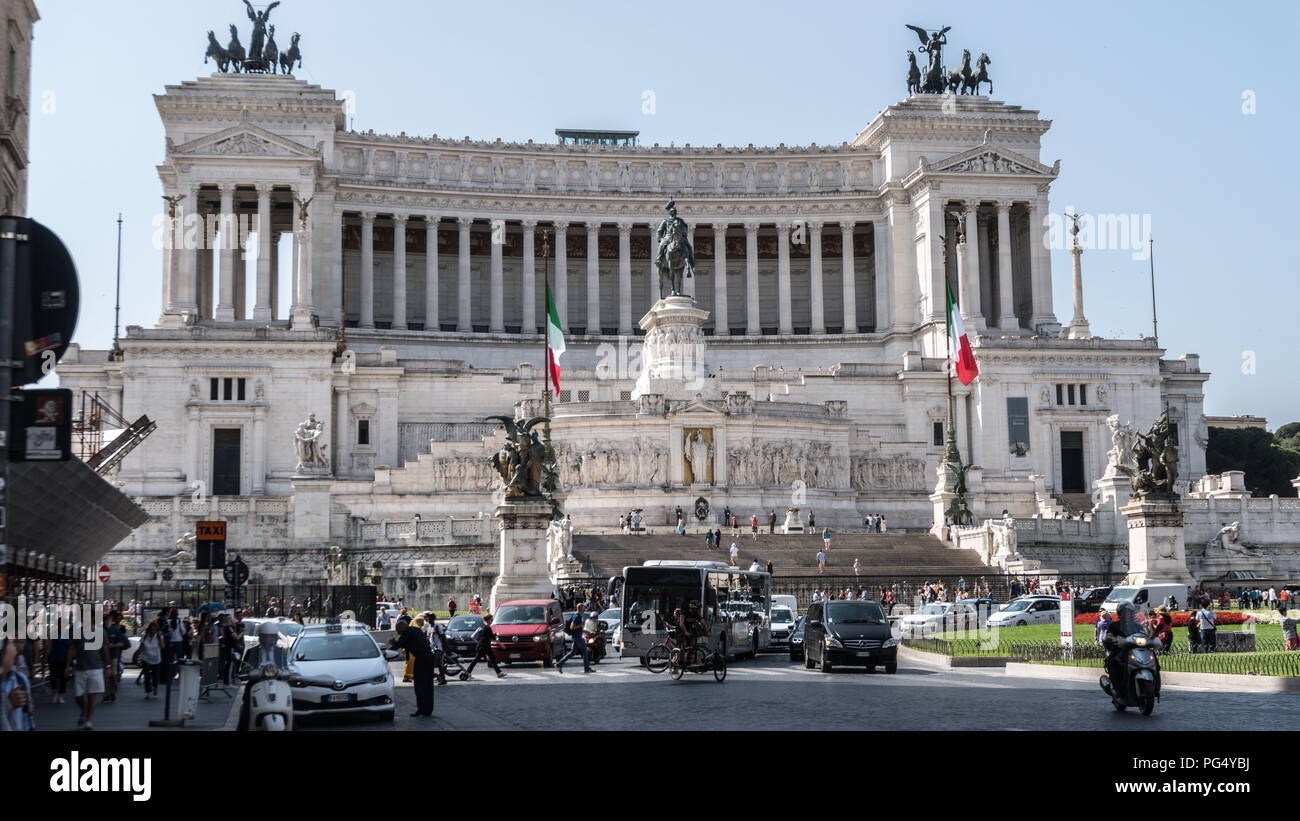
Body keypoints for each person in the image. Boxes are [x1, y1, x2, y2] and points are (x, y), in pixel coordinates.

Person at [66, 620, 110, 731]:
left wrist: (107, 666)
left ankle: (89, 720)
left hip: (96, 667)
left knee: (92, 695)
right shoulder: (78, 632)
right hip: (80, 667)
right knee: (78, 696)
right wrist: (68, 665)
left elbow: (105, 649)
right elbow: (72, 648)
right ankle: (84, 711)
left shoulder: (101, 632)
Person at [390, 617, 435, 717]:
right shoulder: (416, 630)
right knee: (428, 685)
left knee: (419, 685)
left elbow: (399, 645)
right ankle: (428, 710)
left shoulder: (406, 633)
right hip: (429, 658)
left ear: (402, 628)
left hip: (421, 659)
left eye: (398, 631)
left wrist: (387, 651)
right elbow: (406, 643)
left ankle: (421, 709)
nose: (398, 633)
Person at [1, 637, 34, 731]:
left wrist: (29, 703)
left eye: (22, 643)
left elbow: (26, 721)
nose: (19, 649)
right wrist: (8, 704)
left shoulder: (20, 679)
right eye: (13, 643)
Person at [463, 614, 506, 680]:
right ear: (488, 620)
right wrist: (501, 645)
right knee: (476, 660)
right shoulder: (487, 628)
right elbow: (493, 638)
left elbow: (490, 636)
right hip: (483, 647)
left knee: (492, 659)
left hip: (485, 647)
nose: (492, 621)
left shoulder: (485, 627)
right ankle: (467, 673)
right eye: (491, 619)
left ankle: (499, 673)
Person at [103, 612, 129, 704]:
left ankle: (112, 692)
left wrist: (113, 645)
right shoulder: (100, 630)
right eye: (105, 620)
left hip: (113, 656)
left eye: (108, 620)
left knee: (113, 675)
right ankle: (106, 695)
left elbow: (122, 642)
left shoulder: (115, 630)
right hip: (102, 657)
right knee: (105, 677)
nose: (106, 622)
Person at [46, 636, 70, 703]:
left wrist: (70, 661)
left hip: (64, 658)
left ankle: (60, 696)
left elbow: (71, 648)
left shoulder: (69, 634)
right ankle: (54, 693)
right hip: (54, 658)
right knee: (53, 676)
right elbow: (49, 646)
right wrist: (47, 656)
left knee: (63, 677)